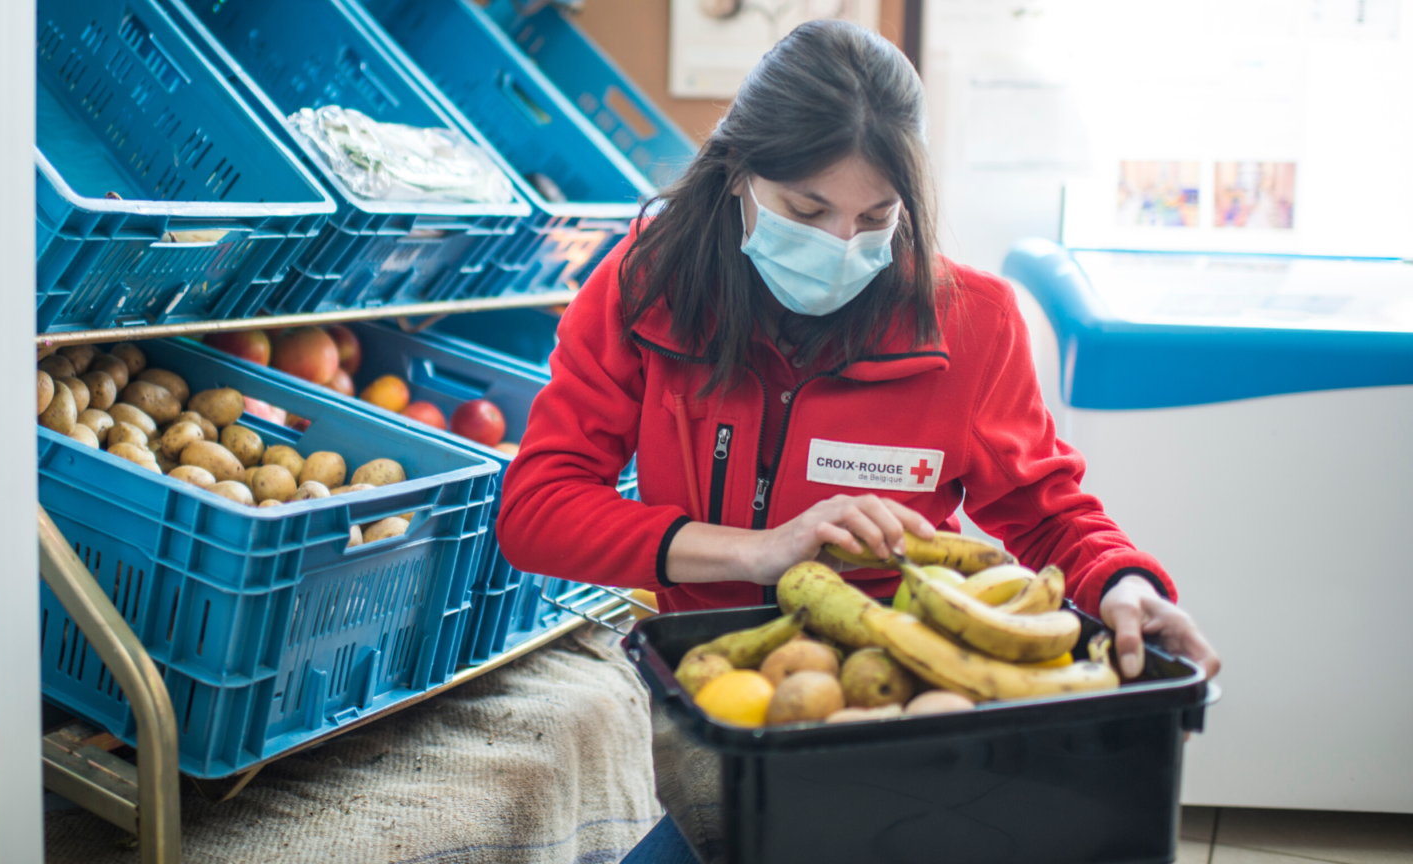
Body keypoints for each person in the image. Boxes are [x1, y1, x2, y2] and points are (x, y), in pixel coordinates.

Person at [494, 19, 1221, 861]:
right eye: (808, 210)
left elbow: (1049, 511)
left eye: (877, 215)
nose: (843, 247)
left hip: (902, 704)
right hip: (718, 700)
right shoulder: (645, 286)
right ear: (738, 173)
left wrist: (1125, 582)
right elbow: (537, 512)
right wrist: (758, 552)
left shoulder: (973, 322)